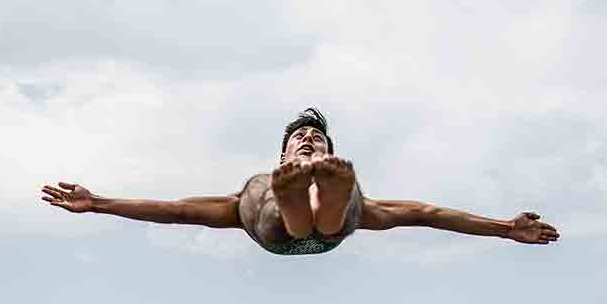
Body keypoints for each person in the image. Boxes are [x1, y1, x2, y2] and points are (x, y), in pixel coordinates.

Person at [43, 108, 560, 257]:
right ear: (285, 153)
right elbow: (176, 209)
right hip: (277, 228)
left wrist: (503, 228)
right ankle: (300, 198)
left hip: (324, 225)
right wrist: (100, 203)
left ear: (329, 153)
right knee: (255, 194)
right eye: (301, 137)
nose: (310, 138)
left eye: (319, 137)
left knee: (351, 204)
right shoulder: (250, 191)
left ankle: (316, 199)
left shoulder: (356, 195)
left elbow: (428, 214)